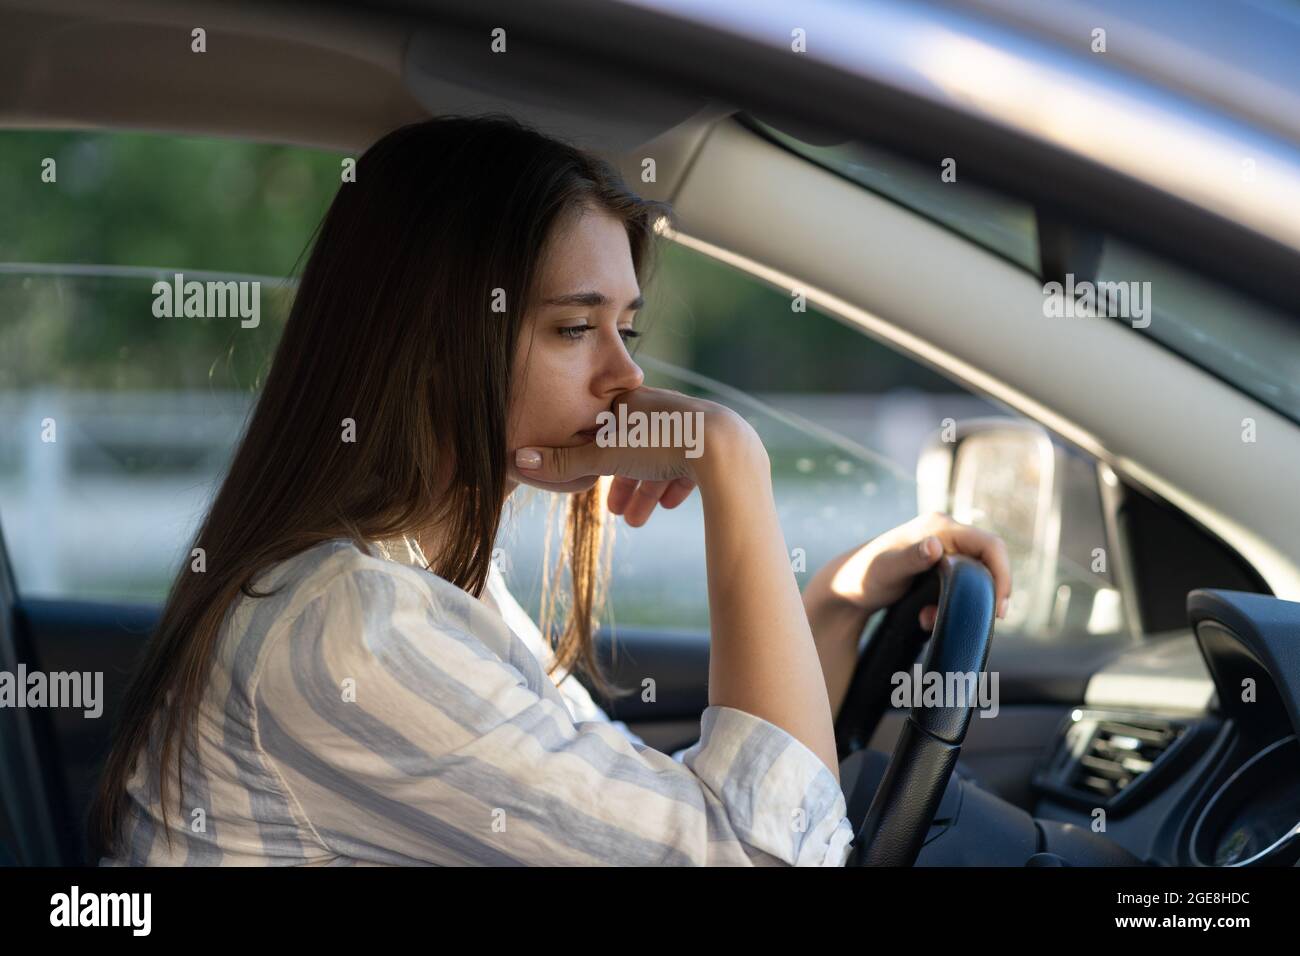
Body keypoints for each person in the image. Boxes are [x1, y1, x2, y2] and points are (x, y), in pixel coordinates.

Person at [90, 114, 1011, 866]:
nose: (621, 378)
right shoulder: (353, 630)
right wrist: (730, 459)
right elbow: (755, 856)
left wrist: (831, 606)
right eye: (574, 328)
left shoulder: (424, 577)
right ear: (435, 340)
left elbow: (648, 810)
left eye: (627, 332)